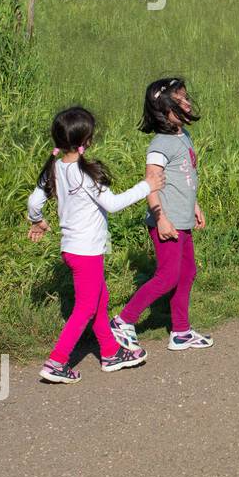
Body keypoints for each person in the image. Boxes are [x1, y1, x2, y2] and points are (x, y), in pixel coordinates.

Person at [28, 107, 160, 383]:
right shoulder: (86, 174)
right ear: (85, 140)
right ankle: (57, 361)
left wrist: (37, 221)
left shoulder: (54, 166)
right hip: (87, 251)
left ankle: (111, 352)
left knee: (100, 301)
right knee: (86, 307)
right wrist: (146, 186)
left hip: (71, 249)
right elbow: (112, 205)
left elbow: (34, 202)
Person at [111, 77, 213, 353]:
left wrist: (194, 205)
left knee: (187, 271)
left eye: (186, 97)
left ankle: (181, 332)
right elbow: (151, 186)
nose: (187, 102)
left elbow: (185, 177)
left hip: (183, 218)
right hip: (166, 222)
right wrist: (161, 219)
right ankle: (123, 321)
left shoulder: (184, 136)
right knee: (168, 276)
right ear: (163, 110)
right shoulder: (160, 145)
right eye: (179, 100)